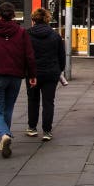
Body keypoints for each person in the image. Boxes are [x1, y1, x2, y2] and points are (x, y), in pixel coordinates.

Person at [0, 2, 37, 158]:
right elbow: (29, 56)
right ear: (13, 15)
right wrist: (32, 75)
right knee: (8, 108)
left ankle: (4, 134)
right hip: (15, 76)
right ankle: (2, 138)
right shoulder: (21, 31)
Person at [25, 8, 65, 141]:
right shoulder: (55, 36)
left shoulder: (27, 34)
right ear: (47, 19)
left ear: (33, 19)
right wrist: (59, 70)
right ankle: (47, 131)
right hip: (51, 72)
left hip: (33, 73)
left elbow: (24, 55)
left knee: (33, 100)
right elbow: (61, 56)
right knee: (49, 102)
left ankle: (32, 128)